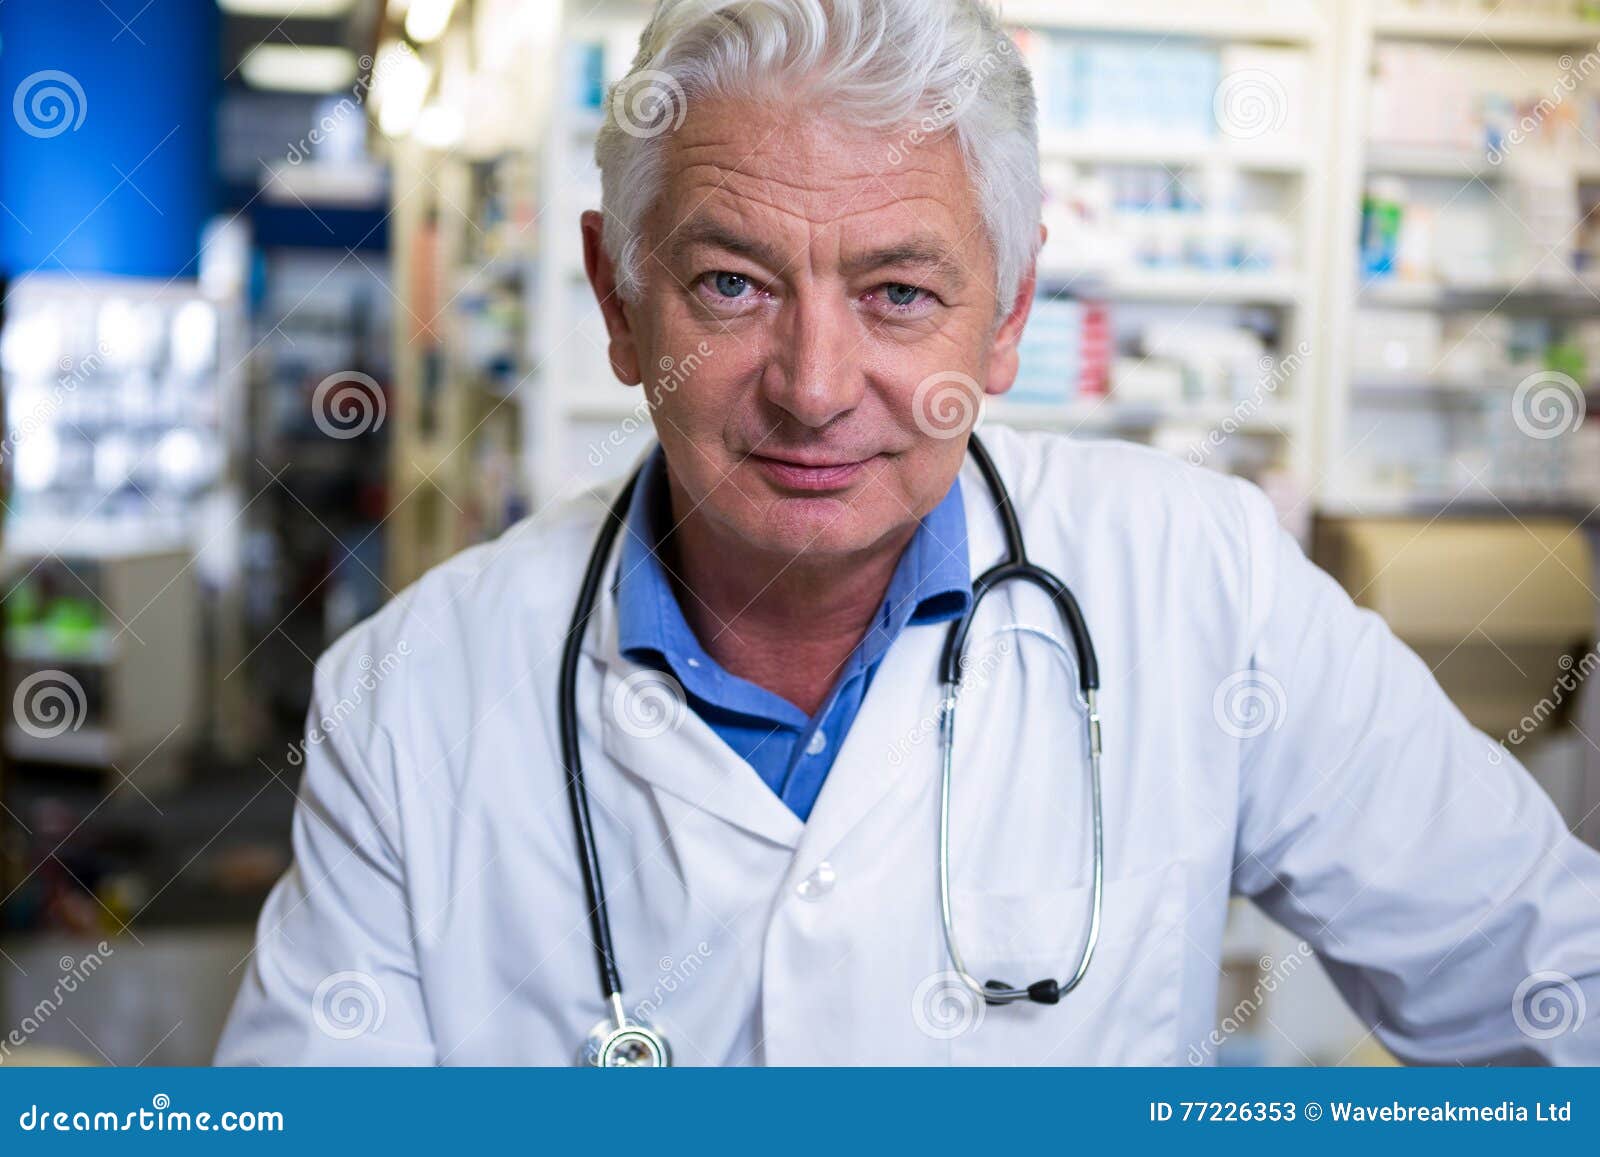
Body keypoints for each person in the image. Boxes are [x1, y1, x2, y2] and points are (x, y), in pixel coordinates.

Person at [216, 0, 1600, 1065]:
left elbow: (1545, 975)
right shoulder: (411, 693)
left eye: (897, 294)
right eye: (732, 283)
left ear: (1008, 317)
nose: (816, 388)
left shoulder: (1203, 583)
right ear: (617, 294)